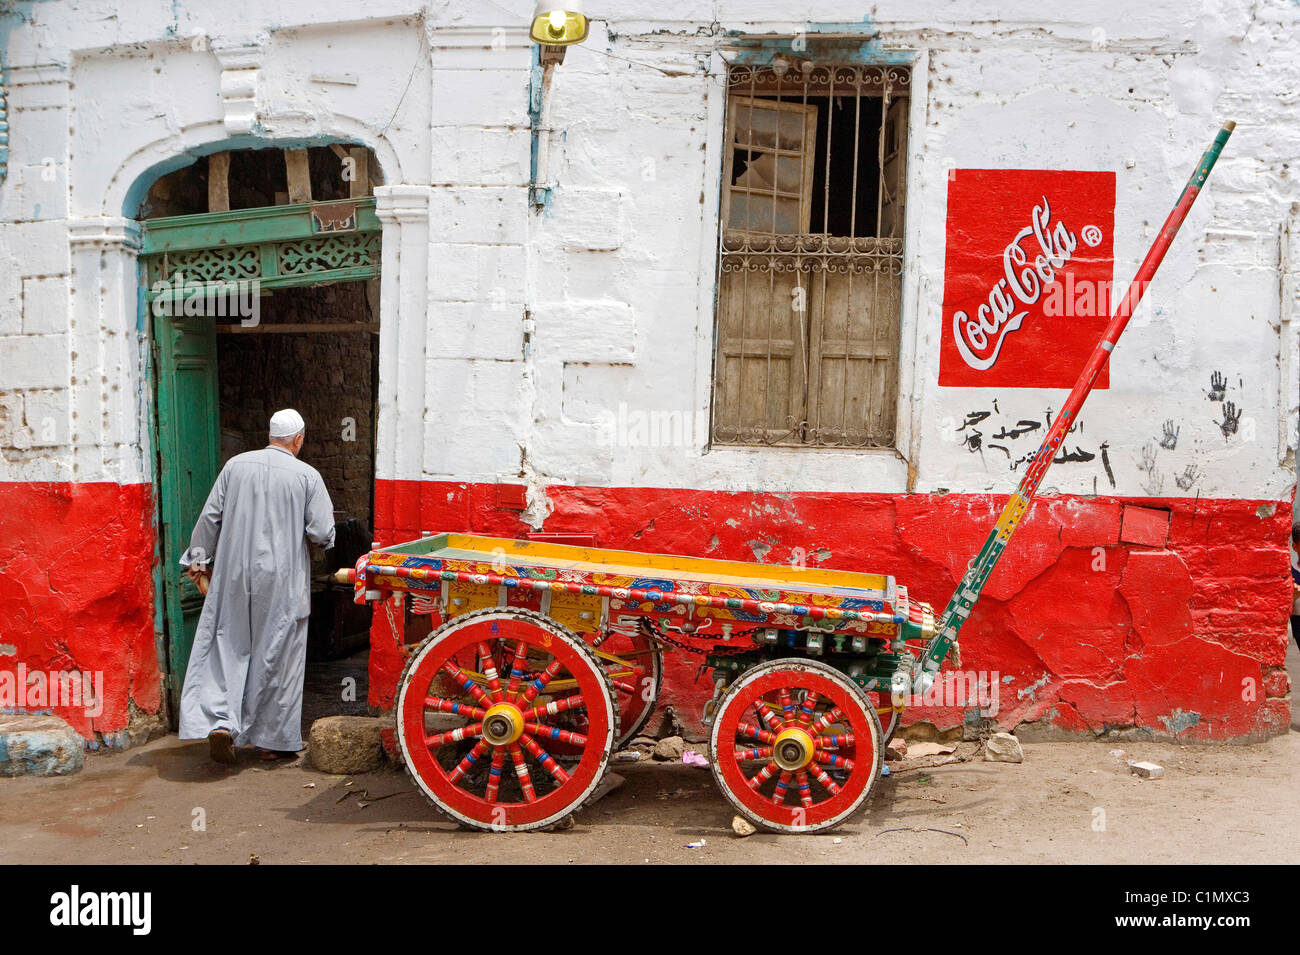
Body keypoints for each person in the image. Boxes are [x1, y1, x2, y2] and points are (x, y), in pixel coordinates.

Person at [178, 409, 336, 763]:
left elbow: (210, 517)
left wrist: (198, 559)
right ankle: (273, 742)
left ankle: (221, 721)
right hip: (281, 581)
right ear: (299, 439)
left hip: (234, 576)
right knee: (277, 656)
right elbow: (322, 531)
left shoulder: (235, 466)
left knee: (227, 647)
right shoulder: (307, 476)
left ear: (271, 435)